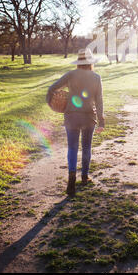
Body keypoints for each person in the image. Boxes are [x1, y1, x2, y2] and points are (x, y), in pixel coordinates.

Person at [46, 48, 105, 196]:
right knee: (86, 147)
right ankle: (85, 177)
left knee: (72, 148)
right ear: (90, 62)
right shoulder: (96, 77)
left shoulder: (70, 75)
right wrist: (101, 121)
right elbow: (99, 102)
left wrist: (52, 103)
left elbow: (52, 89)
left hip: (71, 117)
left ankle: (71, 180)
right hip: (89, 117)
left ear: (78, 62)